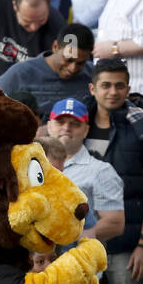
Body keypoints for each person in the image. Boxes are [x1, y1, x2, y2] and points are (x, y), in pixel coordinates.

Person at [82, 57, 143, 284]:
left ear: (128, 89)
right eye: (106, 85)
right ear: (92, 88)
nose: (113, 92)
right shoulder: (76, 124)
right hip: (85, 245)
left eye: (119, 86)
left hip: (129, 247)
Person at [43, 96, 125, 243]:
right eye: (60, 122)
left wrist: (64, 238)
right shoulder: (31, 164)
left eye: (75, 124)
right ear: (49, 126)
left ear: (86, 130)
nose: (66, 128)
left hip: (79, 259)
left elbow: (114, 223)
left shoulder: (101, 171)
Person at [0, 23, 94, 117]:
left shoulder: (93, 76)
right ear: (55, 47)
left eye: (80, 63)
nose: (73, 68)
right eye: (68, 60)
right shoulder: (18, 75)